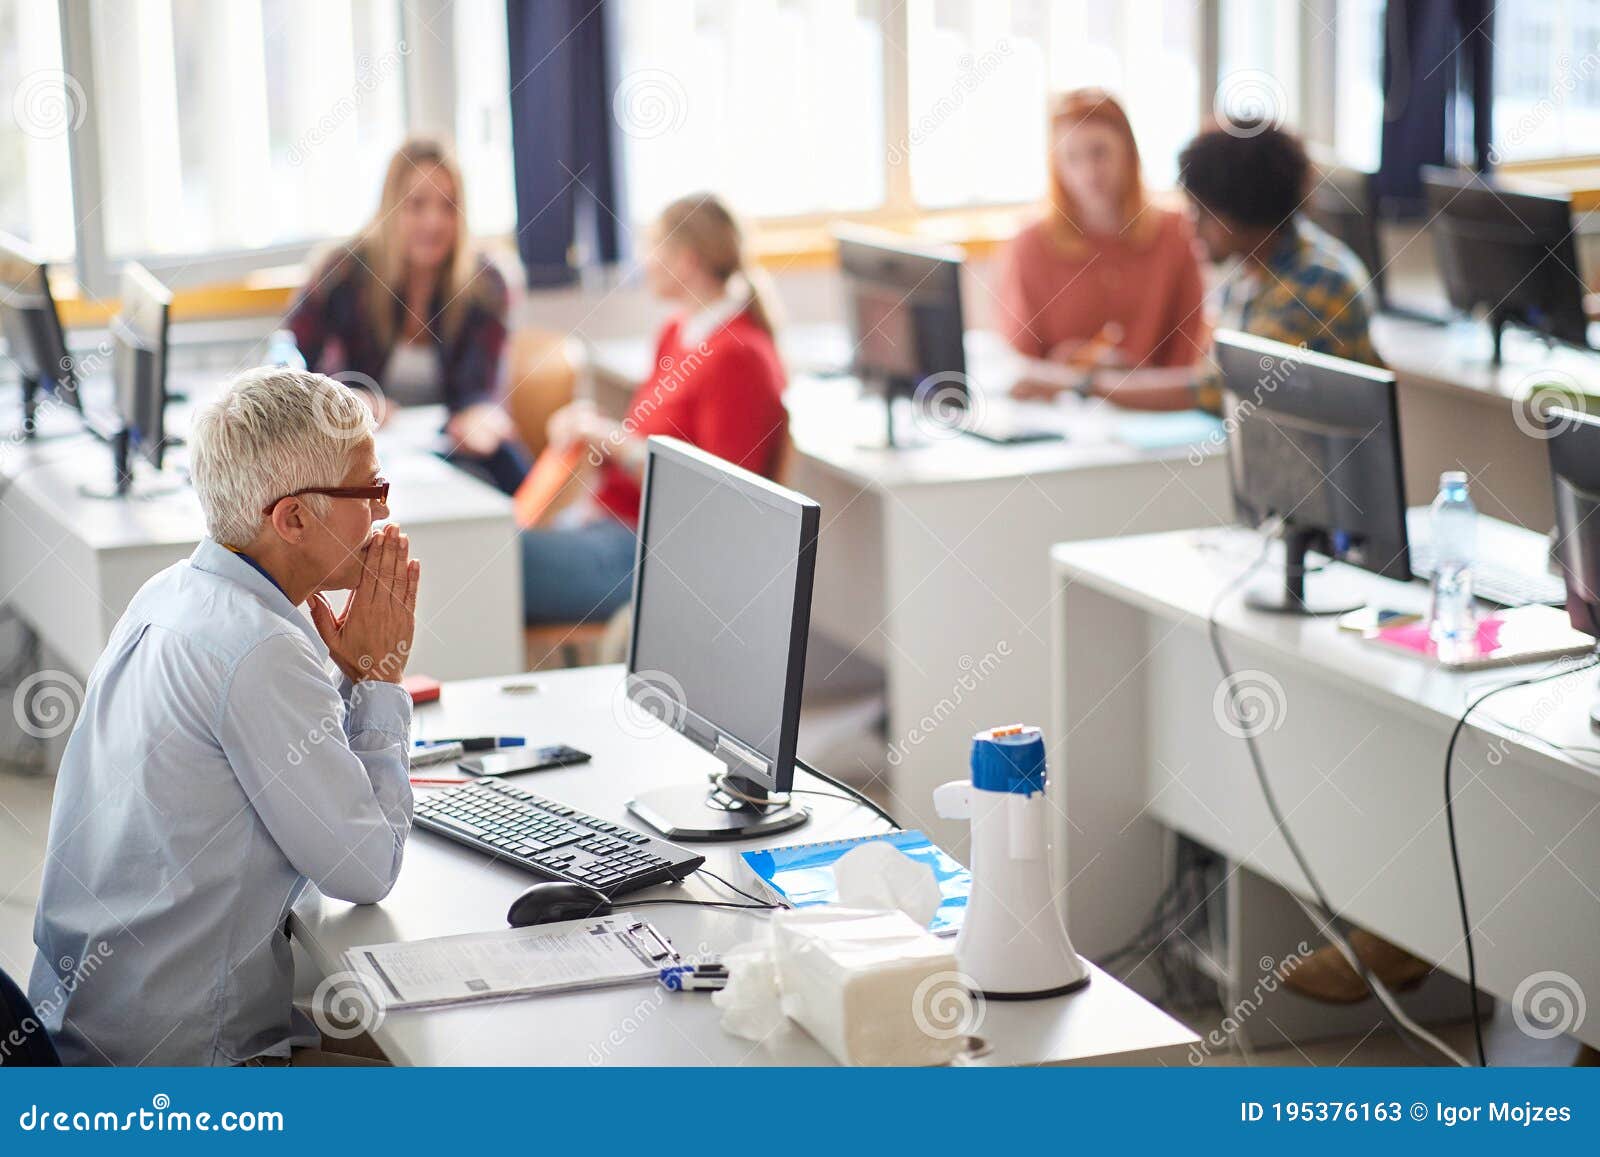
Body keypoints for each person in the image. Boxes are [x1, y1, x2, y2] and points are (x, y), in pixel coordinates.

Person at [30, 368, 420, 1066]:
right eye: (370, 491)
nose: (384, 516)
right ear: (293, 518)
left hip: (87, 1038)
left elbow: (271, 767)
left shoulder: (173, 593)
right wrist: (380, 679)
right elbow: (366, 869)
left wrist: (354, 679)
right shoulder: (261, 648)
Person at [520, 193, 787, 626]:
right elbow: (647, 440)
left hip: (660, 556)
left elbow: (718, 494)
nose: (644, 261)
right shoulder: (678, 332)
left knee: (498, 558)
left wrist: (609, 440)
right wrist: (597, 435)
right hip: (614, 525)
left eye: (652, 247)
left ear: (685, 260)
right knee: (491, 543)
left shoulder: (740, 356)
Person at [1079, 117, 1383, 412]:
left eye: (1203, 213)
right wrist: (1126, 374)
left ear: (1243, 213)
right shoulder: (1249, 271)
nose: (1192, 228)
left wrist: (1084, 384)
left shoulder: (1316, 282)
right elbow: (1210, 378)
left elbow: (1217, 391)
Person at [285, 137, 527, 494]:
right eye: (416, 205)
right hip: (355, 454)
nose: (434, 221)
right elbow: (287, 368)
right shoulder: (341, 272)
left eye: (448, 206)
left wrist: (482, 416)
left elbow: (481, 391)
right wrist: (346, 401)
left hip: (450, 454)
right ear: (390, 209)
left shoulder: (487, 283)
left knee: (512, 482)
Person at [1000, 89, 1207, 400]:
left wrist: (1126, 382)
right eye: (1072, 158)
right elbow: (1021, 363)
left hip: (1156, 415)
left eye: (1100, 152)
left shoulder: (1177, 234)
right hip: (1060, 416)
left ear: (1128, 153)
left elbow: (1188, 362)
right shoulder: (1030, 244)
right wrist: (1069, 371)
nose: (1089, 173)